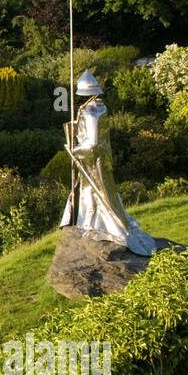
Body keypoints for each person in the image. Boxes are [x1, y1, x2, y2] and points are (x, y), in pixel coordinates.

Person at [60, 70, 156, 256]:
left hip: (93, 161)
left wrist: (76, 150)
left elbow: (93, 142)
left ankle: (100, 225)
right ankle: (88, 221)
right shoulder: (100, 106)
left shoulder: (91, 112)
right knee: (100, 191)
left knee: (97, 192)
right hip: (99, 160)